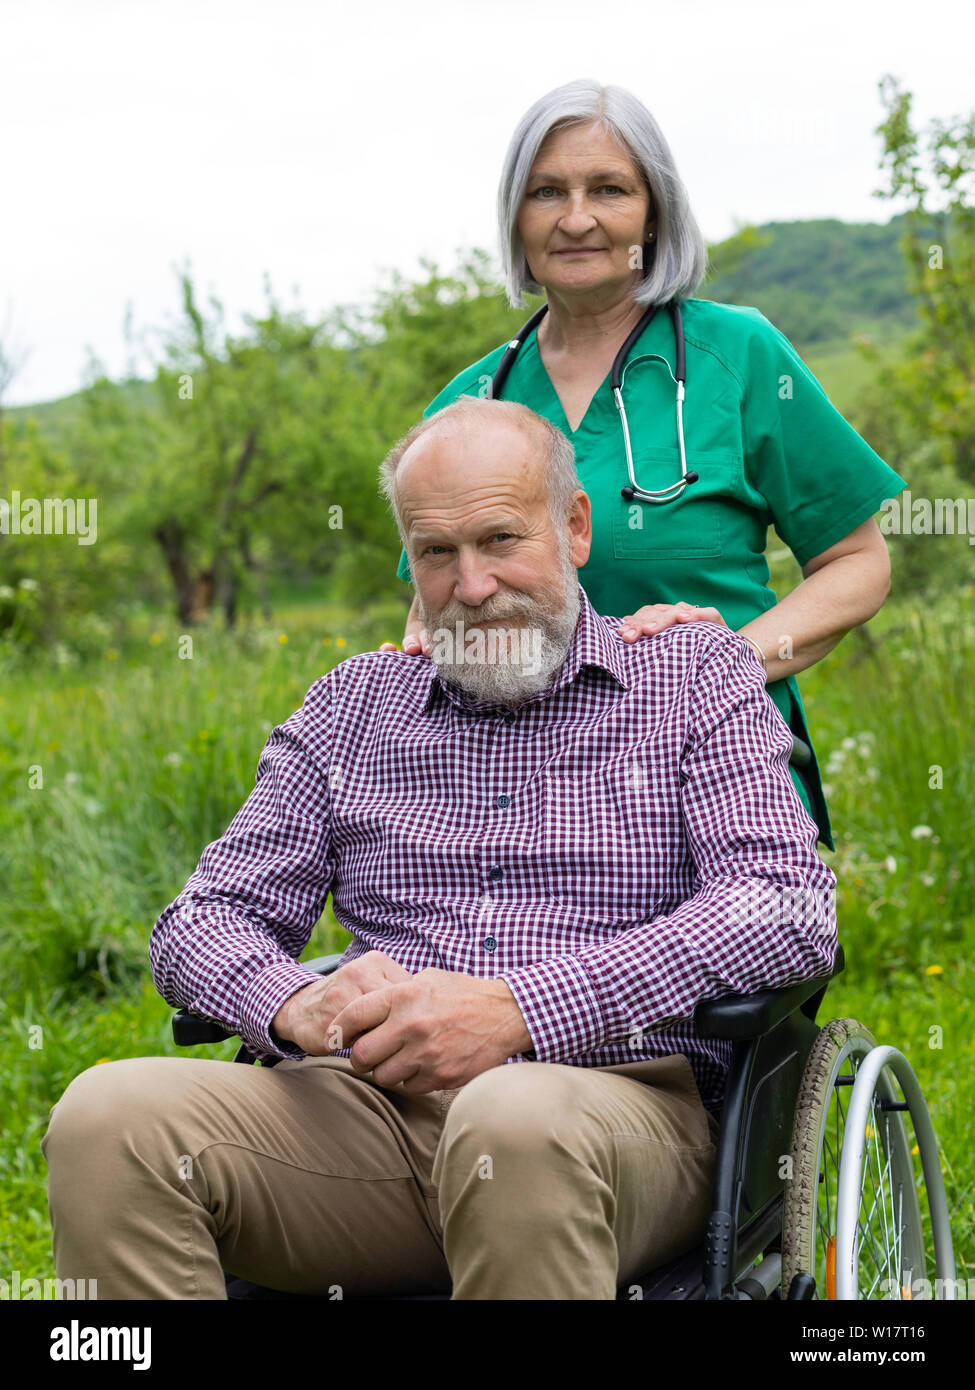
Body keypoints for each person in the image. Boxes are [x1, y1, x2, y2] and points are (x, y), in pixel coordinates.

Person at [41, 396, 837, 1301]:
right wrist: (296, 1001)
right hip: (368, 1120)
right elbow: (200, 920)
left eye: (500, 540)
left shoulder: (692, 677)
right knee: (106, 1118)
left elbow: (783, 904)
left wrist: (521, 1009)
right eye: (436, 553)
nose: (470, 586)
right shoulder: (352, 706)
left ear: (574, 528)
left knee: (512, 1118)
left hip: (612, 1112)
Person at [388, 78, 908, 852]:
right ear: (515, 217)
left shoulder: (739, 356)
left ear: (654, 213)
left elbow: (856, 563)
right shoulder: (470, 402)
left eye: (608, 189)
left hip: (712, 774)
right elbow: (433, 609)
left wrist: (725, 663)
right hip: (526, 798)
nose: (575, 218)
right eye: (545, 192)